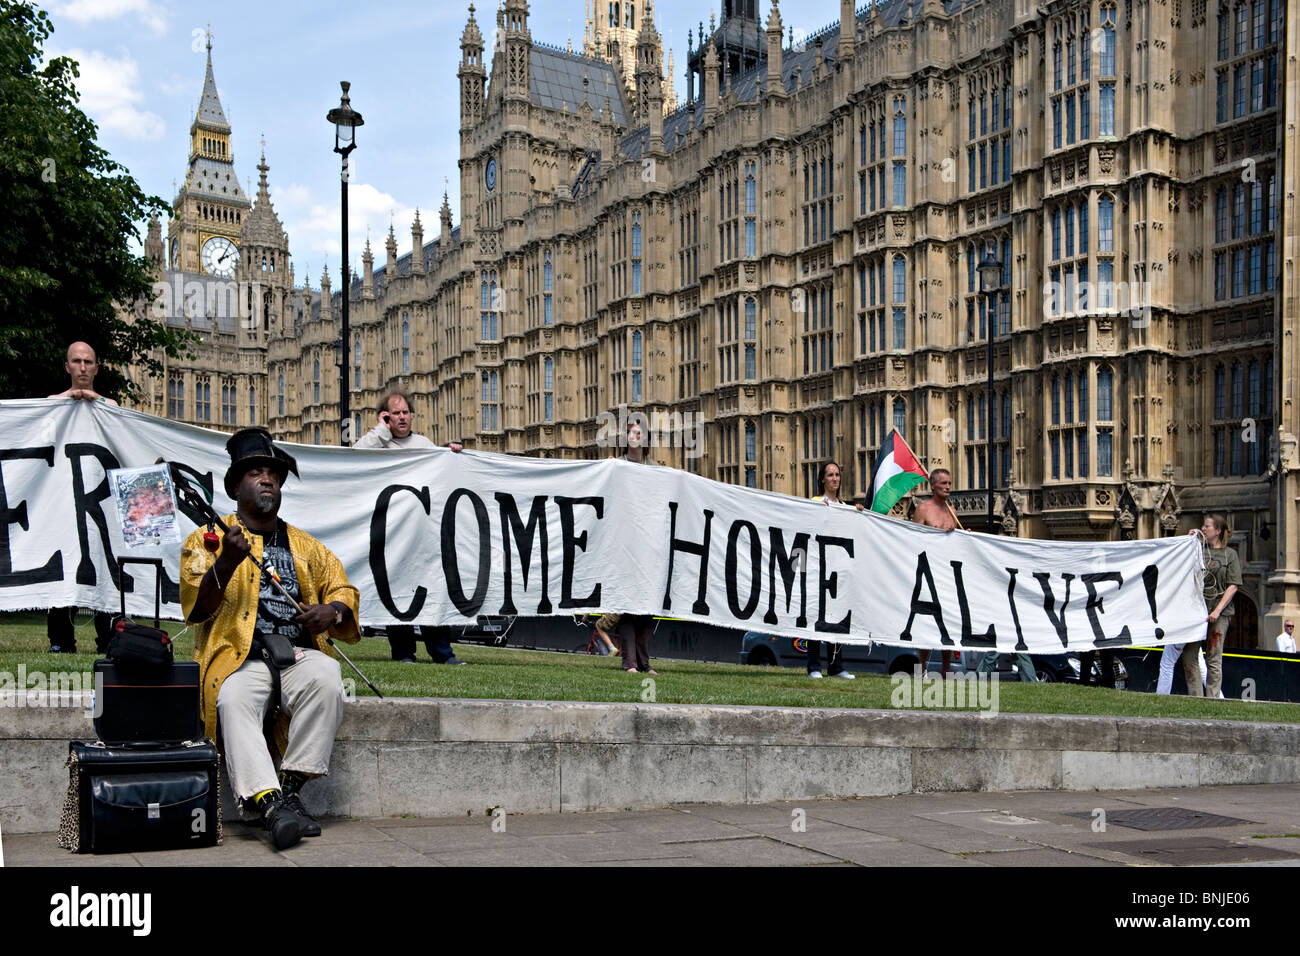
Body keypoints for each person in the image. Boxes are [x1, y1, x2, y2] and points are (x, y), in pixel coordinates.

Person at [179, 428, 360, 851]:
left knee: (327, 678)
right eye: (256, 473)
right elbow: (196, 607)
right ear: (236, 486)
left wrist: (330, 612)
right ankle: (271, 804)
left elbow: (345, 591)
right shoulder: (207, 537)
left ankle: (290, 791)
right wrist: (225, 560)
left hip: (297, 654)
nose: (267, 481)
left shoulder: (306, 546)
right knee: (233, 700)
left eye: (274, 475)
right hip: (239, 660)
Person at [355, 391, 465, 664]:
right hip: (392, 533)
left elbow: (444, 471)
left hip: (423, 534)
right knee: (397, 593)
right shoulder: (378, 443)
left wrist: (452, 453)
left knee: (432, 590)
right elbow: (355, 455)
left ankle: (442, 652)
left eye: (405, 412)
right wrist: (382, 431)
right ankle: (403, 652)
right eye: (395, 413)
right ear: (385, 416)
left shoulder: (423, 444)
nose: (402, 417)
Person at [46, 341, 116, 653]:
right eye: (77, 362)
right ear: (68, 367)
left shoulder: (109, 407)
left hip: (100, 500)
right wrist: (68, 399)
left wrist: (94, 399)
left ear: (96, 368)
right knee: (63, 570)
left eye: (88, 362)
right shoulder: (52, 405)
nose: (83, 367)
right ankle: (61, 640)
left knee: (104, 565)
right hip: (64, 500)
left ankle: (109, 639)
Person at [805, 461, 860, 680]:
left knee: (836, 619)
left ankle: (837, 667)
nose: (835, 479)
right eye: (830, 475)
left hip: (838, 569)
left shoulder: (844, 506)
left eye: (837, 475)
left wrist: (857, 514)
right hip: (819, 566)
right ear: (822, 480)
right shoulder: (816, 502)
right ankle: (814, 666)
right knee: (817, 619)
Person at [615, 418, 657, 674]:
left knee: (646, 611)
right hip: (624, 544)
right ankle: (629, 662)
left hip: (647, 546)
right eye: (631, 432)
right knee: (628, 609)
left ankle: (644, 662)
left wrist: (681, 479)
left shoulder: (653, 468)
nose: (634, 436)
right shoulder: (617, 465)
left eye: (639, 432)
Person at [1183, 514, 1240, 698]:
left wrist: (1217, 610)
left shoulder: (1230, 554)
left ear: (1218, 531)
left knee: (1213, 656)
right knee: (1189, 655)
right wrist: (1188, 541)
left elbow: (1233, 586)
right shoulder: (1199, 550)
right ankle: (1196, 696)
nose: (1203, 528)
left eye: (1207, 526)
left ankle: (1213, 697)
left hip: (1219, 613)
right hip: (1198, 612)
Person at [910, 468, 957, 677]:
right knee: (927, 622)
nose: (947, 487)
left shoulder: (952, 511)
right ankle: (922, 669)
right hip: (928, 572)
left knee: (948, 624)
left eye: (949, 483)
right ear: (933, 486)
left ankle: (946, 671)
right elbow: (913, 539)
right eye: (943, 483)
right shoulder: (923, 509)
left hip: (947, 575)